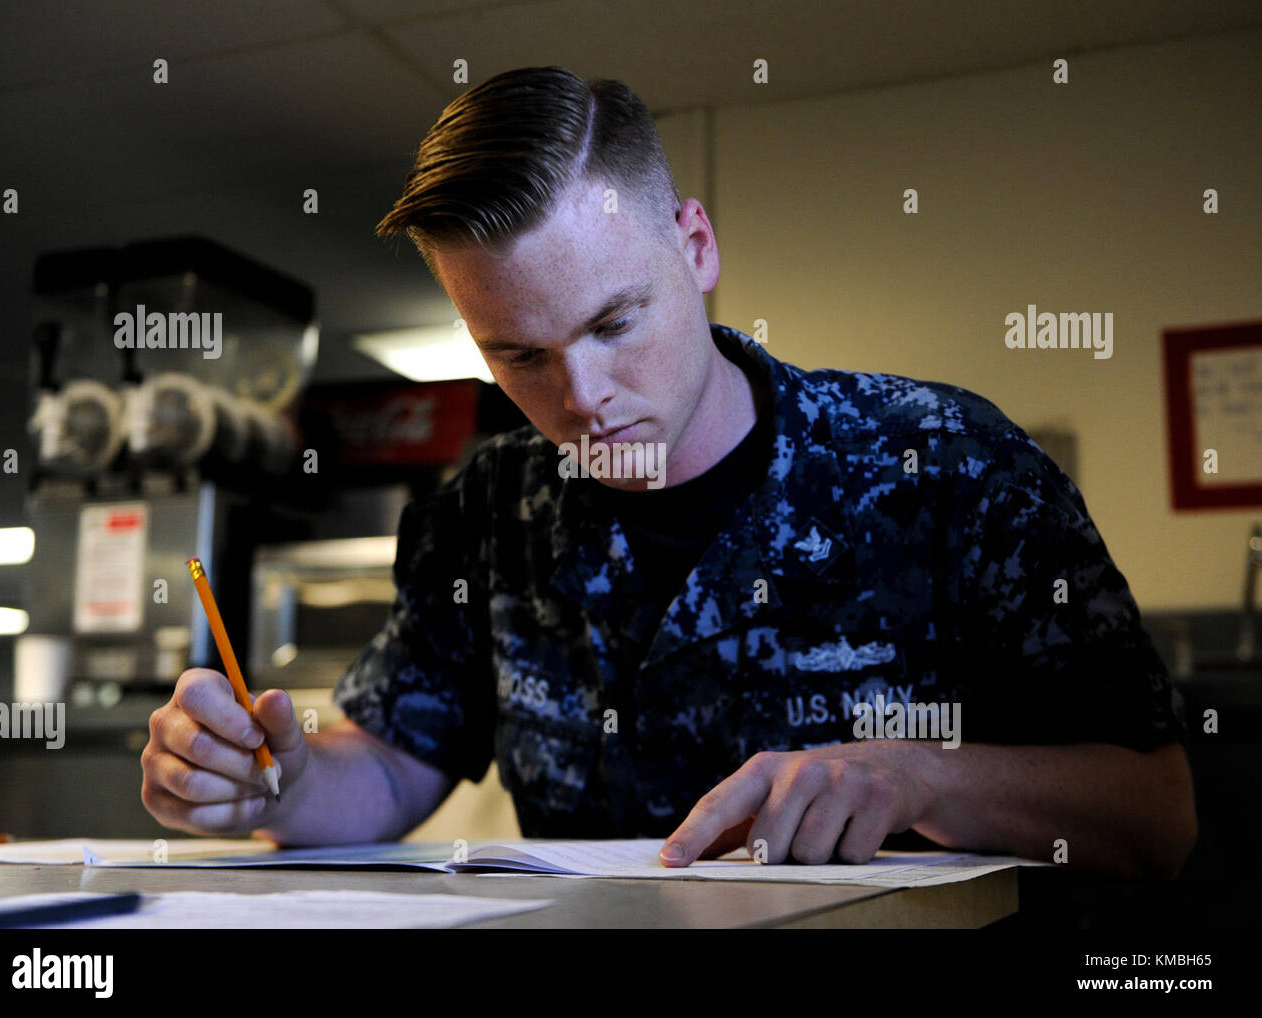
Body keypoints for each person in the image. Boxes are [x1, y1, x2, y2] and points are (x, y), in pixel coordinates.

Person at [141, 66, 1196, 878]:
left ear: (693, 247)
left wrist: (921, 774)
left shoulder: (948, 463)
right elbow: (381, 766)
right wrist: (268, 784)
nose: (583, 395)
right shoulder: (486, 512)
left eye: (613, 321)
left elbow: (1158, 815)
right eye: (520, 355)